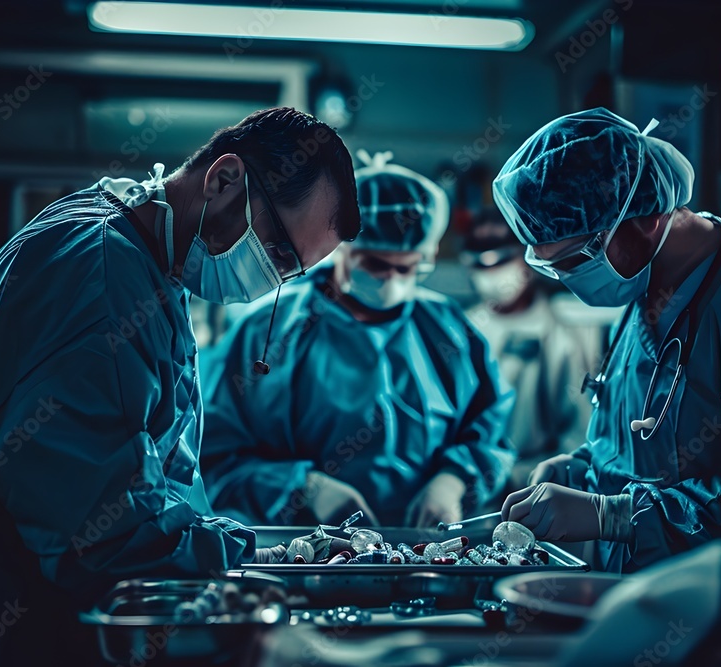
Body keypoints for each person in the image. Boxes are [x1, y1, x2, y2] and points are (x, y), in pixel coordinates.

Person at [0, 107, 361, 665]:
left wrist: (248, 549)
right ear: (223, 179)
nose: (271, 281)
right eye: (278, 250)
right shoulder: (102, 276)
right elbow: (98, 528)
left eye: (291, 273)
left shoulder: (146, 260)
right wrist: (258, 557)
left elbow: (151, 481)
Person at [495, 107, 721, 590]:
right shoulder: (641, 298)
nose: (567, 280)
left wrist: (616, 516)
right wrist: (584, 470)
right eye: (551, 268)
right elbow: (637, 450)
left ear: (646, 219)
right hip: (649, 611)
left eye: (574, 260)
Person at [200, 152, 515, 528]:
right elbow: (216, 454)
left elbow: (490, 429)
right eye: (375, 264)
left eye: (406, 267)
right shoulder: (267, 330)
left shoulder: (450, 332)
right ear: (339, 247)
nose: (390, 279)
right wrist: (304, 489)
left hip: (426, 550)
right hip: (301, 552)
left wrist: (453, 481)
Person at [462, 207, 601, 491]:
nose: (489, 273)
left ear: (527, 259)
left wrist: (527, 478)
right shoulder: (461, 329)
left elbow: (581, 432)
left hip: (537, 485)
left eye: (500, 260)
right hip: (469, 482)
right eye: (479, 263)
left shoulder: (563, 330)